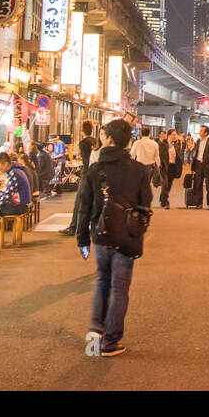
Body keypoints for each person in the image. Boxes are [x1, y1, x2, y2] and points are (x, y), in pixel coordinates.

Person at [76, 119, 152, 358]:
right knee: (119, 289)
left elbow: (83, 205)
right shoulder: (138, 169)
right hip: (127, 236)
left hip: (100, 234)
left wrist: (82, 238)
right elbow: (146, 202)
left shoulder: (95, 169)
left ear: (108, 139)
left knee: (102, 281)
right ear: (128, 141)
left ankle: (96, 330)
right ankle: (110, 342)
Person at [61, 121, 97, 236]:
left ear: (82, 131)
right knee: (93, 201)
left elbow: (86, 160)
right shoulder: (95, 141)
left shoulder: (83, 143)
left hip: (86, 174)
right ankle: (93, 226)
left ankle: (73, 227)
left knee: (79, 201)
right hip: (95, 174)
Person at [0, 151, 32, 217]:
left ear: (6, 164)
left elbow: (8, 194)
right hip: (19, 203)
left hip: (19, 206)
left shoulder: (14, 173)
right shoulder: (15, 170)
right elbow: (9, 191)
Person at [191, 124, 209, 210]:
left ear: (206, 133)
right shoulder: (198, 141)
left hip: (208, 166)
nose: (200, 132)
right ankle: (199, 203)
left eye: (201, 131)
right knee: (198, 185)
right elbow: (196, 153)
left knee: (208, 185)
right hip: (199, 165)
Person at [158, 130, 181, 209]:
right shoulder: (163, 144)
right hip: (165, 167)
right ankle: (165, 202)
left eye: (176, 134)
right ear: (169, 135)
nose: (175, 136)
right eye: (173, 135)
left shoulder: (176, 145)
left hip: (173, 167)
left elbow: (178, 157)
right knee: (165, 184)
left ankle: (162, 199)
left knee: (169, 185)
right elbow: (160, 155)